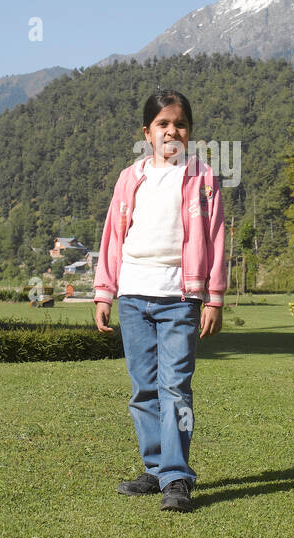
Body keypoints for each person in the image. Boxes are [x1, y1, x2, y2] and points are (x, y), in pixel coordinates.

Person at [94, 89, 226, 513]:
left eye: (180, 124)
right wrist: (104, 292)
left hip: (179, 298)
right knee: (143, 389)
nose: (172, 131)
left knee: (175, 387)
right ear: (147, 133)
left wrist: (214, 298)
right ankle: (155, 469)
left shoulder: (203, 178)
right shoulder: (130, 178)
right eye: (163, 124)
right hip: (133, 296)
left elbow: (217, 238)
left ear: (190, 132)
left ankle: (176, 476)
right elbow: (113, 237)